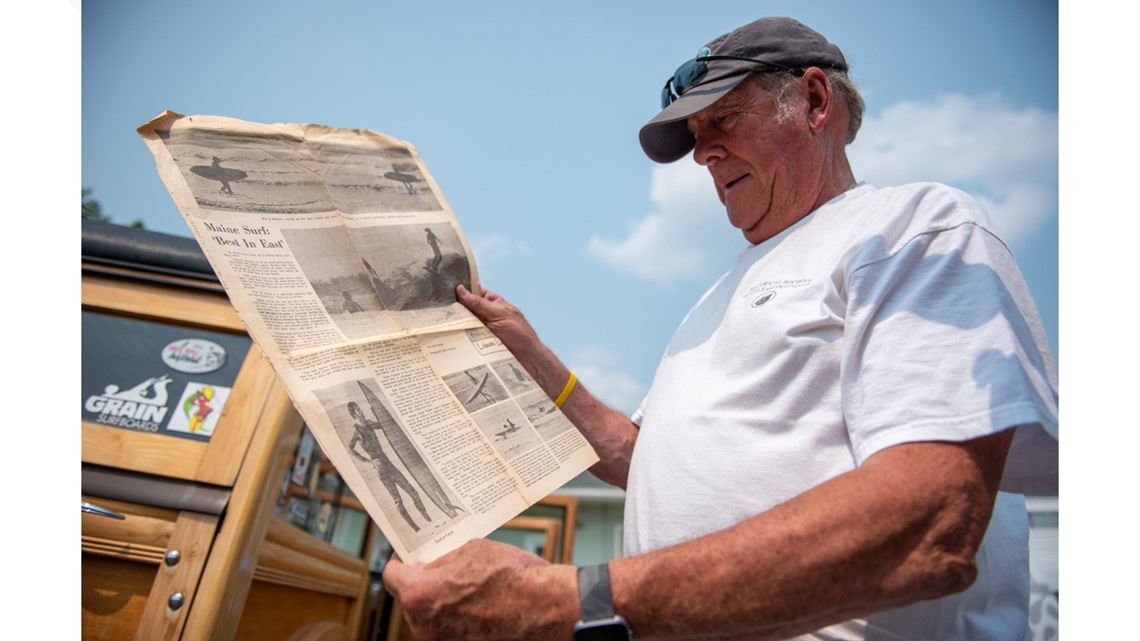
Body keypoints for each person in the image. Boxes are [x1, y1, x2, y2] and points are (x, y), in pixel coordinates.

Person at [383, 16, 1058, 641]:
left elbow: (932, 516)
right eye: (696, 135)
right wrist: (533, 358)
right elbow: (646, 459)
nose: (703, 153)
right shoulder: (718, 292)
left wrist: (570, 600)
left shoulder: (912, 226)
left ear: (817, 103)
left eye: (723, 120)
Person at [347, 400, 432, 532]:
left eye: (360, 408)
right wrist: (369, 462)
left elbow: (382, 424)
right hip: (380, 468)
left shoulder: (369, 423)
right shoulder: (357, 431)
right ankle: (415, 528)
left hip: (388, 463)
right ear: (354, 414)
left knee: (411, 490)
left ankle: (427, 517)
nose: (361, 411)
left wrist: (376, 411)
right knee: (398, 499)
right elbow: (350, 449)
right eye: (358, 410)